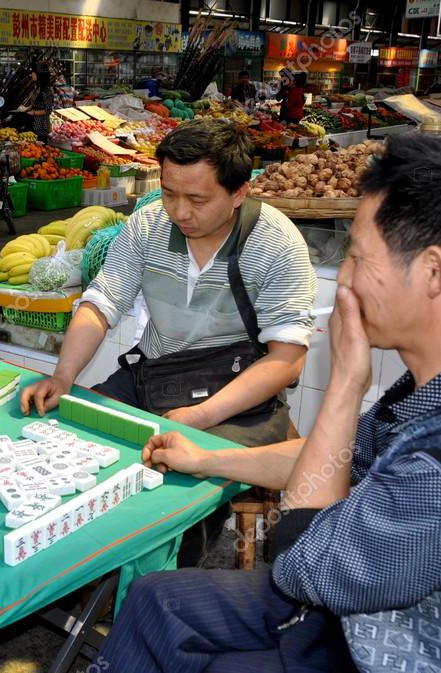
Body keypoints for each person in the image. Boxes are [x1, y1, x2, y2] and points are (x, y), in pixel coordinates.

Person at [95, 135, 441, 673]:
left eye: (356, 256)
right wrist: (207, 458)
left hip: (397, 644)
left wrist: (344, 384)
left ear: (433, 272)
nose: (346, 280)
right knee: (157, 601)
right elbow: (341, 456)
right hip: (350, 598)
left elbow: (302, 567)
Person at [20, 118, 316, 565]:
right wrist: (63, 376)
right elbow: (101, 303)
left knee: (180, 489)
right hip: (156, 374)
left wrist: (199, 415)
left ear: (239, 193)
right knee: (69, 434)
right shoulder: (148, 226)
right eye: (170, 192)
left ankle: (162, 585)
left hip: (236, 395)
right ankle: (75, 567)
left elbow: (286, 361)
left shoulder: (277, 245)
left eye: (197, 198)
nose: (179, 212)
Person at [28, 70, 55, 143]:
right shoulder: (37, 88)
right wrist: (26, 109)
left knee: (40, 148)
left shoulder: (46, 91)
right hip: (33, 123)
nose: (32, 74)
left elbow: (48, 110)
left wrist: (33, 113)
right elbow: (34, 104)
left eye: (34, 73)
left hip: (42, 125)